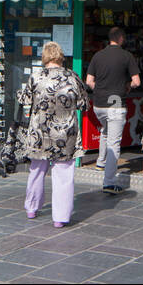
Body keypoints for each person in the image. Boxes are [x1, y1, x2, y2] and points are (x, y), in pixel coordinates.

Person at [18, 41, 89, 228]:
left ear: (45, 57)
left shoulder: (36, 77)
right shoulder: (72, 77)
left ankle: (32, 207)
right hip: (65, 132)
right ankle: (61, 217)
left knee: (37, 169)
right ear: (60, 57)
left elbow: (25, 100)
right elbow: (84, 104)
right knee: (64, 173)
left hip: (39, 131)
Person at [86, 26, 141, 195]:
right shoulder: (126, 56)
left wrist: (100, 91)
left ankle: (101, 163)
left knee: (105, 131)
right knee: (114, 143)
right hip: (116, 103)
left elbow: (89, 81)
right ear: (122, 39)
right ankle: (109, 182)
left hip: (99, 104)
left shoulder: (98, 55)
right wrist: (126, 89)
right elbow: (137, 82)